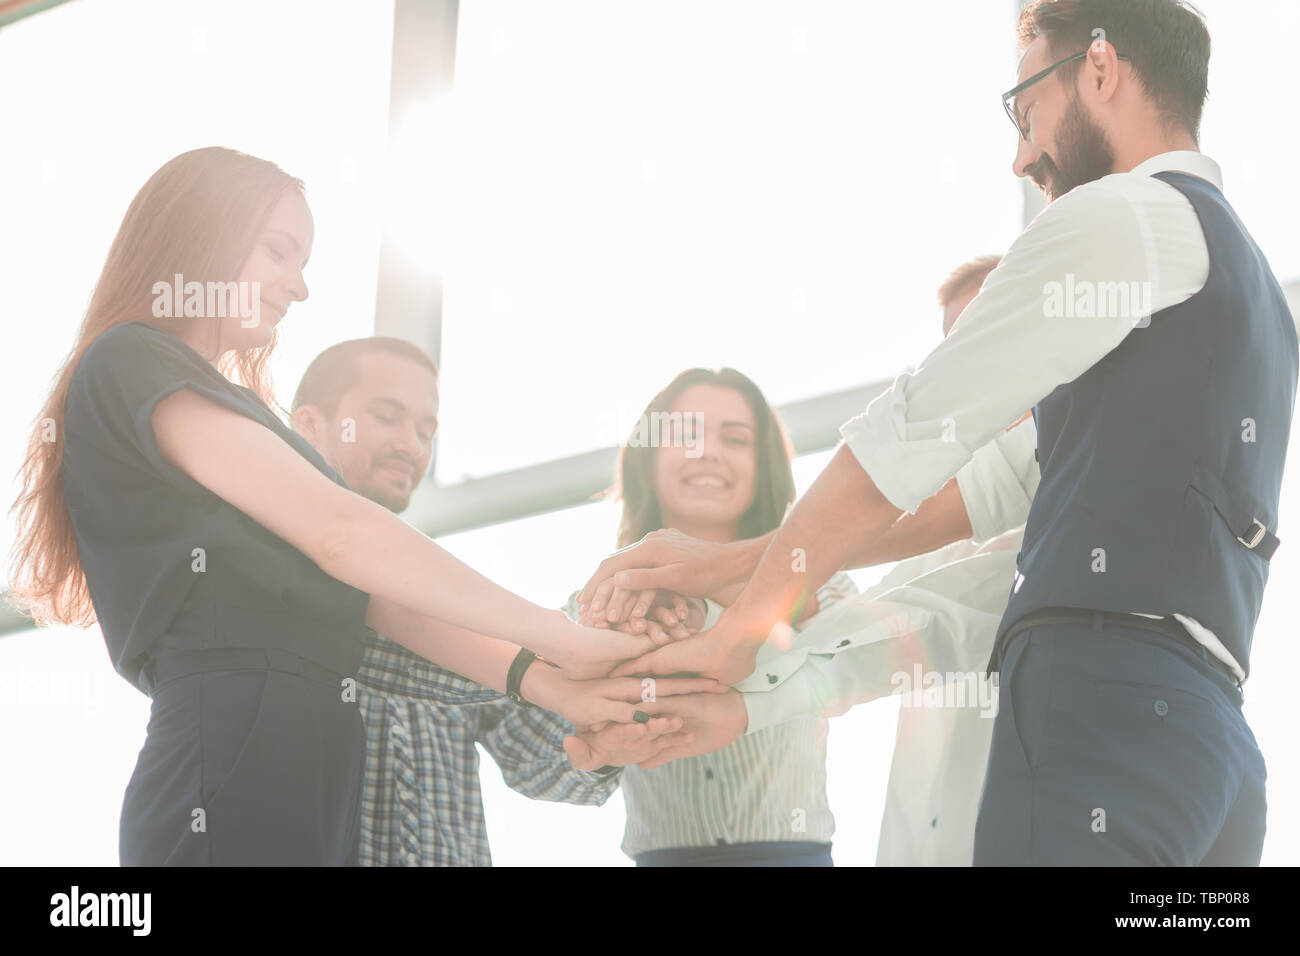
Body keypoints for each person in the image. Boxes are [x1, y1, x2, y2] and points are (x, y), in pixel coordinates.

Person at [580, 0, 1297, 866]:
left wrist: (734, 640)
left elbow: (911, 440)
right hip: (1214, 753)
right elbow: (983, 507)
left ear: (1100, 68)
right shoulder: (1246, 294)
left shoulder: (1120, 216)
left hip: (1102, 716)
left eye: (1024, 109)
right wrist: (726, 568)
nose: (1022, 155)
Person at [7, 146, 712, 865]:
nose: (299, 287)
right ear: (199, 234)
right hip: (228, 771)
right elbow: (343, 536)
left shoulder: (239, 434)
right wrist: (564, 643)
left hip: (312, 786)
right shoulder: (131, 361)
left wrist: (555, 678)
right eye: (278, 251)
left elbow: (380, 607)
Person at [289, 337, 676, 866]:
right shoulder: (261, 565)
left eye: (426, 430)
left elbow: (534, 758)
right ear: (308, 423)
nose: (411, 444)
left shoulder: (454, 606)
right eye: (386, 416)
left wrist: (604, 748)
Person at [569, 368, 857, 866]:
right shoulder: (596, 606)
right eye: (685, 434)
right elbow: (556, 735)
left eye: (736, 439)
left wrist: (726, 590)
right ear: (649, 458)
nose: (709, 451)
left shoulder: (821, 577)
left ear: (762, 464)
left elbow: (852, 653)